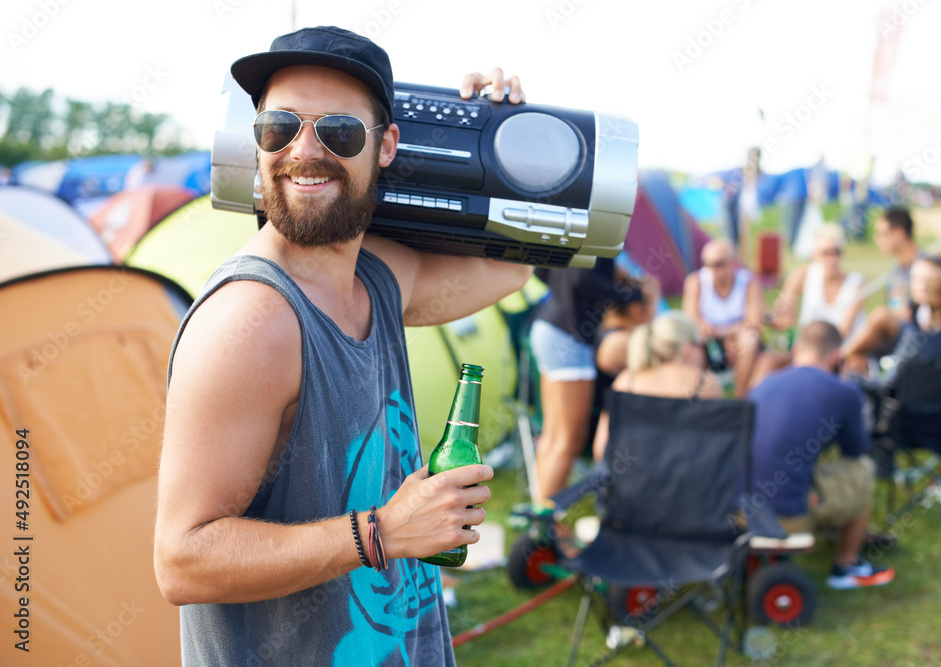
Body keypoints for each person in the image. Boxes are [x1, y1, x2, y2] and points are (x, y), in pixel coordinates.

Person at [153, 26, 532, 666]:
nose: (304, 151)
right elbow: (183, 561)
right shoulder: (251, 323)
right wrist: (382, 532)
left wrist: (494, 135)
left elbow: (512, 268)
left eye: (340, 131)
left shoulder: (377, 280)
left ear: (385, 146)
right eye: (280, 126)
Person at [747, 321, 895, 589]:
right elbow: (855, 450)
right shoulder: (844, 391)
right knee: (862, 470)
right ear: (836, 357)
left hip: (739, 507)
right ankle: (846, 566)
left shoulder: (764, 384)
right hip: (785, 516)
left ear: (796, 349)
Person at [530, 259, 642, 498]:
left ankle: (542, 516)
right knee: (568, 440)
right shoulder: (603, 229)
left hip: (549, 324)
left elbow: (541, 269)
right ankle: (546, 524)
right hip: (569, 334)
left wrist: (562, 292)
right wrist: (632, 294)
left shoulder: (575, 226)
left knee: (553, 436)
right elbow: (583, 280)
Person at [592, 311, 722, 462]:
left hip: (633, 480)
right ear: (687, 349)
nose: (705, 355)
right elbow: (715, 448)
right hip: (688, 478)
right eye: (702, 346)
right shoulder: (704, 382)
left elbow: (601, 450)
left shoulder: (624, 382)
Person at [682, 237, 768, 397]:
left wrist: (722, 333)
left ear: (732, 262)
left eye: (718, 264)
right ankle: (695, 397)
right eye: (707, 264)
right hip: (709, 342)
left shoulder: (749, 282)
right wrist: (729, 333)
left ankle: (740, 396)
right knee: (690, 346)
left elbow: (755, 321)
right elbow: (693, 321)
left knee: (749, 338)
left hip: (737, 341)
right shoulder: (695, 282)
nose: (712, 269)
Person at [842, 207, 923, 374]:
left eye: (882, 234)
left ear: (899, 233)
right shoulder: (897, 268)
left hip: (916, 337)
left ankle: (835, 359)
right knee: (855, 361)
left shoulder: (924, 266)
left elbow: (910, 314)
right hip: (893, 338)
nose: (877, 239)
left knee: (880, 315)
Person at [770, 223, 865, 340]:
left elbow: (844, 330)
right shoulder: (801, 275)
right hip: (809, 346)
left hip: (841, 348)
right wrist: (780, 317)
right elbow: (782, 310)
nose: (832, 259)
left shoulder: (855, 283)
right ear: (814, 255)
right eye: (826, 253)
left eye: (837, 252)